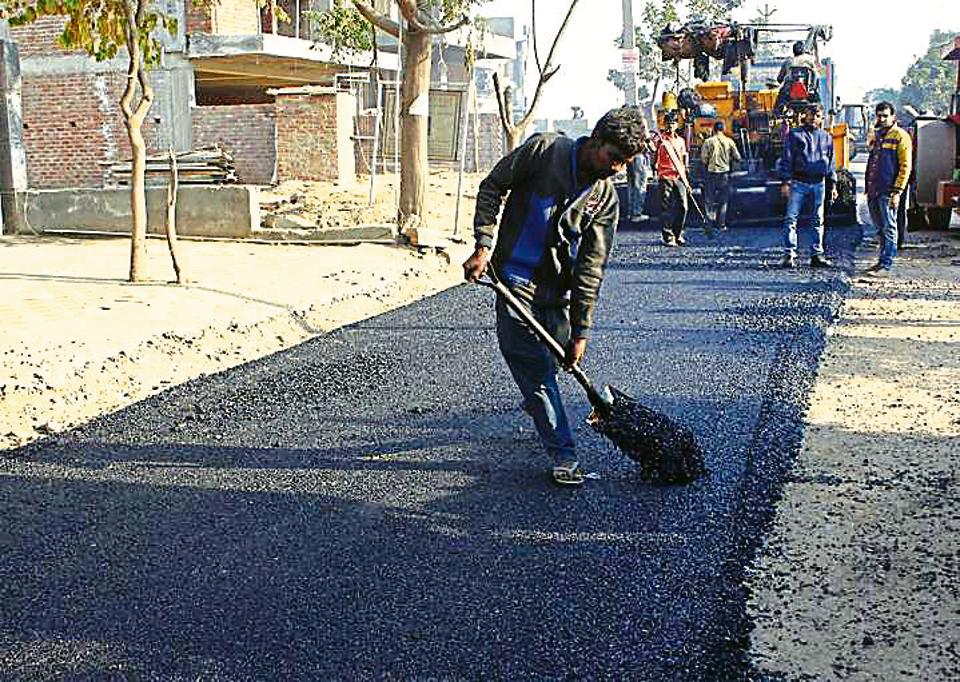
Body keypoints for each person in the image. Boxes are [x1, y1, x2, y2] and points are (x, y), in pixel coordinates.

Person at [462, 107, 648, 485]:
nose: (617, 169)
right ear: (595, 141)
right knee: (536, 372)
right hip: (513, 281)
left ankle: (538, 402)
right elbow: (492, 186)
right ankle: (564, 453)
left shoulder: (604, 199)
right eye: (614, 158)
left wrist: (580, 332)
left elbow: (591, 269)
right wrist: (483, 245)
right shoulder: (544, 151)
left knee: (560, 357)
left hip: (556, 293)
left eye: (625, 164)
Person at [777, 102, 838, 269]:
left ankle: (816, 255)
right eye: (810, 114)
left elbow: (831, 162)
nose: (813, 118)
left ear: (821, 118)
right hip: (798, 183)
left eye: (817, 115)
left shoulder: (827, 137)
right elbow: (787, 159)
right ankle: (789, 255)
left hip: (819, 184)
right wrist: (785, 182)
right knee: (791, 219)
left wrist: (833, 185)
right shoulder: (795, 135)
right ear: (805, 115)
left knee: (818, 219)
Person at [863, 101, 912, 277]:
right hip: (874, 190)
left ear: (893, 117)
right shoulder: (878, 136)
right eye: (879, 116)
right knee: (879, 228)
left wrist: (897, 191)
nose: (882, 119)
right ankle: (880, 261)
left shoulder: (900, 136)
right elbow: (872, 162)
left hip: (888, 190)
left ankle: (886, 265)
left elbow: (905, 166)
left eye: (885, 116)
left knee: (889, 227)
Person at [653, 110, 689, 246]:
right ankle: (668, 236)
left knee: (683, 206)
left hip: (679, 176)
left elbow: (684, 158)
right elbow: (653, 155)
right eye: (668, 123)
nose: (670, 126)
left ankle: (678, 233)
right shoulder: (660, 140)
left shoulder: (681, 141)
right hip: (665, 176)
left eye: (673, 123)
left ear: (677, 125)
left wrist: (686, 178)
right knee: (666, 207)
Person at [699, 120, 741, 234]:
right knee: (723, 201)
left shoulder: (708, 142)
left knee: (709, 200)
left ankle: (709, 225)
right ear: (723, 129)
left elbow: (703, 159)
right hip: (724, 174)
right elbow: (737, 157)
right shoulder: (729, 141)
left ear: (714, 129)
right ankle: (721, 225)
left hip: (711, 174)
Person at [774, 41, 819, 116]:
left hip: (788, 94)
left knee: (780, 99)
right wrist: (812, 89)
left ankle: (777, 115)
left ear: (793, 51)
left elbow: (779, 79)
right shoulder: (810, 61)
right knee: (817, 102)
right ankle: (818, 115)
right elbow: (816, 76)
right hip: (807, 94)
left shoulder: (788, 61)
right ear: (803, 51)